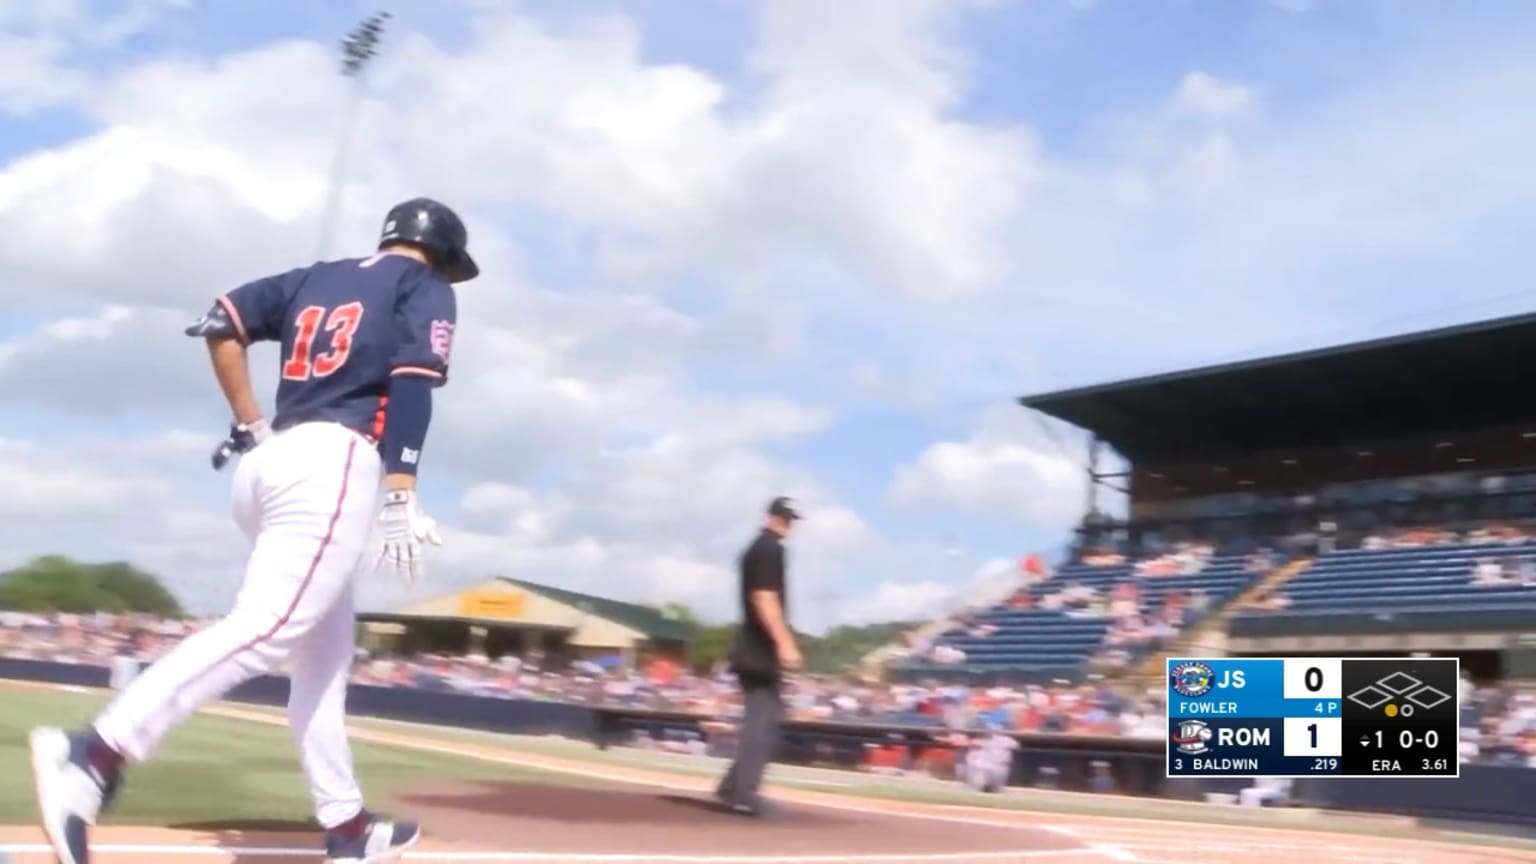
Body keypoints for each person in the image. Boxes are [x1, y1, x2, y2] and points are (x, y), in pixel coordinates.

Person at [27, 197, 478, 864]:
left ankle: (347, 825)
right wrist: (402, 485)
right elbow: (412, 383)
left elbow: (222, 321)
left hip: (270, 464)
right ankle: (93, 753)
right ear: (440, 251)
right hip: (334, 463)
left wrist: (248, 424)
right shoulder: (425, 285)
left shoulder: (316, 275)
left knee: (323, 660)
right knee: (268, 628)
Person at [715, 496, 803, 816]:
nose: (787, 524)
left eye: (790, 519)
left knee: (768, 717)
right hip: (758, 648)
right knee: (762, 723)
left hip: (754, 646)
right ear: (769, 517)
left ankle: (733, 784)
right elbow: (764, 597)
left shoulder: (760, 548)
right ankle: (744, 792)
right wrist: (785, 643)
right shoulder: (769, 549)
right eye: (782, 517)